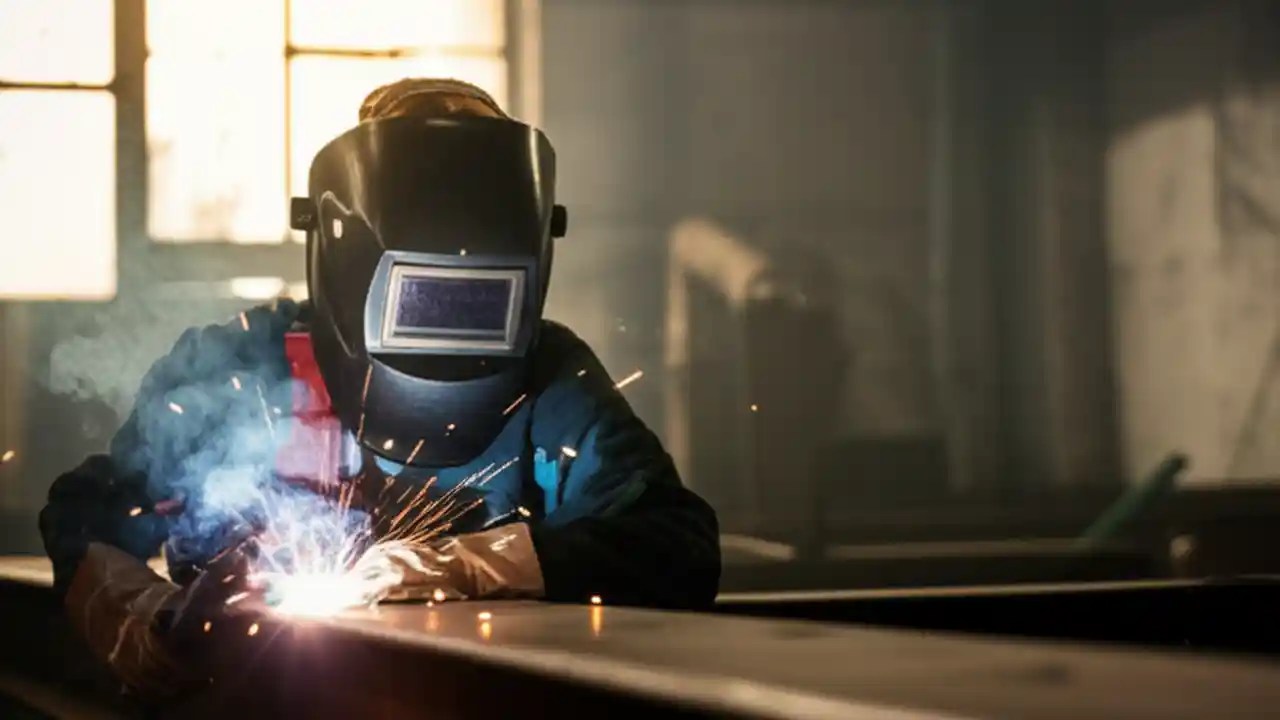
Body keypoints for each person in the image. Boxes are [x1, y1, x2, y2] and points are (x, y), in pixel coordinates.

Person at [38, 78, 721, 699]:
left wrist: (465, 566)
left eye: (481, 303)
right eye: (421, 296)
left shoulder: (549, 376)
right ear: (343, 247)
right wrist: (141, 620)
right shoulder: (236, 365)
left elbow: (676, 544)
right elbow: (87, 515)